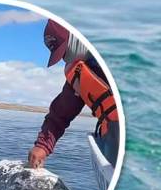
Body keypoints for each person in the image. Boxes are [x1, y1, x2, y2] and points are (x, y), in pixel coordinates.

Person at [28, 19, 119, 173]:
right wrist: (42, 145)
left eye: (65, 51)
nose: (65, 58)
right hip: (113, 141)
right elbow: (60, 114)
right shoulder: (78, 75)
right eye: (61, 55)